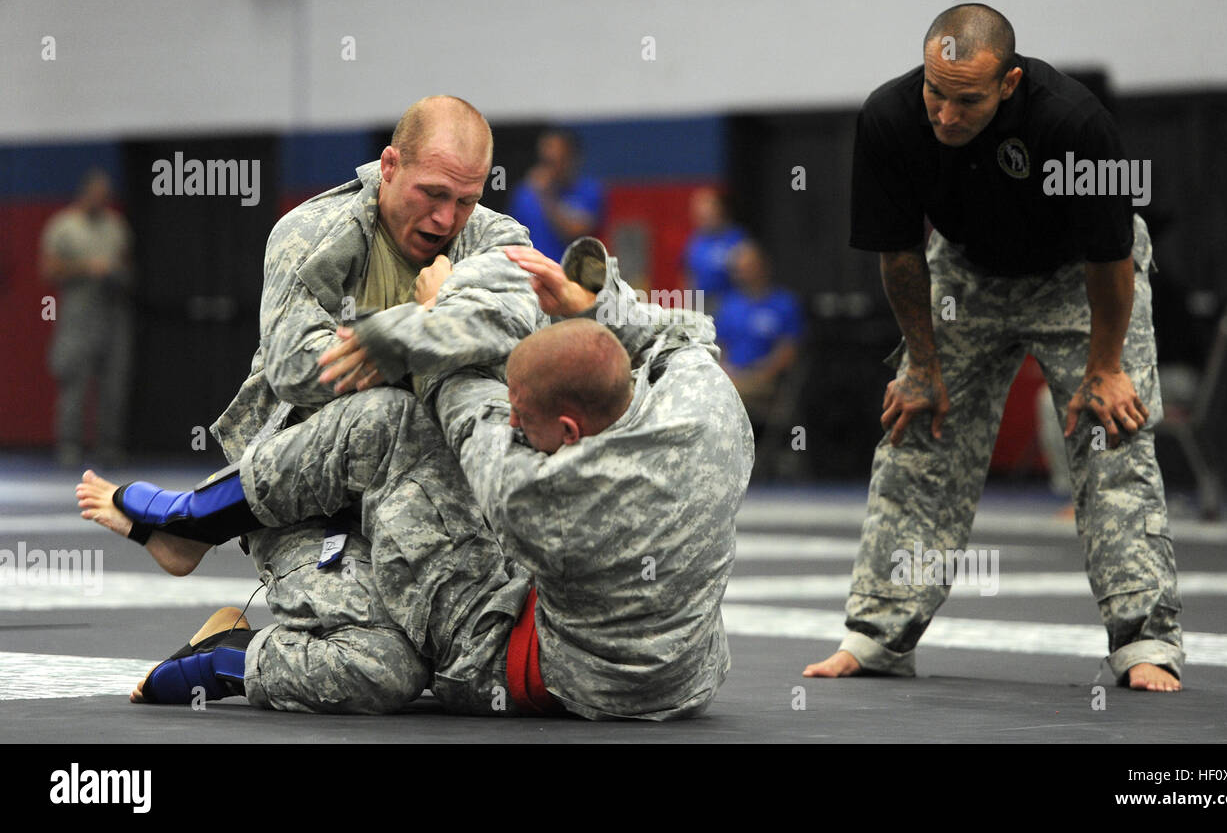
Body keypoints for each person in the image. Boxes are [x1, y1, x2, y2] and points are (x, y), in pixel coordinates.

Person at [78, 237, 753, 719]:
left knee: (393, 423)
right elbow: (678, 336)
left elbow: (465, 410)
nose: (515, 425)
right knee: (382, 652)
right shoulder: (708, 402)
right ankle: (196, 526)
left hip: (513, 662)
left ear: (572, 434)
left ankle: (214, 604)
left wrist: (439, 317)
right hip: (684, 682)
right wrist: (593, 303)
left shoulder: (543, 497)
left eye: (523, 419)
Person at [803, 4, 1183, 692]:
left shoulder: (1076, 122)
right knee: (917, 428)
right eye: (935, 93)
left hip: (1079, 277)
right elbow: (898, 254)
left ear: (1009, 83)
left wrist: (1105, 368)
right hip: (968, 273)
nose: (946, 116)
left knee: (1113, 432)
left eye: (967, 101)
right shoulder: (889, 117)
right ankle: (879, 633)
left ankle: (1144, 640)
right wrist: (922, 366)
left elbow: (1111, 254)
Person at [195, 95, 541, 711]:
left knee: (485, 658)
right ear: (389, 166)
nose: (446, 217)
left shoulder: (494, 240)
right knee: (384, 667)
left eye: (465, 199)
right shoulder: (311, 235)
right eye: (432, 193)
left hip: (429, 487)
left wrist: (411, 332)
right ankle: (226, 658)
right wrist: (433, 329)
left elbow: (525, 333)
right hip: (308, 496)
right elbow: (298, 369)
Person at [40, 169, 134, 468]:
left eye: (105, 195)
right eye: (96, 194)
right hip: (78, 315)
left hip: (112, 313)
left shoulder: (115, 225)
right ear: (84, 193)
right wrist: (86, 267)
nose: (101, 200)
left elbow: (127, 264)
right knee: (74, 382)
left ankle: (109, 447)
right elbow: (48, 271)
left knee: (113, 384)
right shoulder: (63, 226)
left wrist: (115, 274)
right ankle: (69, 446)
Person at [715, 241, 802, 425]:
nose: (742, 274)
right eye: (738, 269)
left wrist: (760, 375)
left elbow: (789, 352)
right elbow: (720, 347)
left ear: (763, 266)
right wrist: (725, 372)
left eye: (748, 267)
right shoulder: (729, 305)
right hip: (732, 378)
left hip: (767, 382)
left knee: (722, 397)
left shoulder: (784, 304)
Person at [508, 129, 604, 261]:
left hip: (573, 270)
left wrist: (546, 195)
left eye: (555, 161)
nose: (549, 168)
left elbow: (577, 232)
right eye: (545, 161)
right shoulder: (524, 193)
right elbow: (513, 237)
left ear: (571, 159)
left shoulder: (589, 191)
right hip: (531, 269)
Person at [681, 186, 747, 310]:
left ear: (720, 209)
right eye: (698, 210)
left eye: (708, 208)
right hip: (702, 303)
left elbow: (747, 277)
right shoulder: (694, 241)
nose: (703, 213)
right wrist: (688, 305)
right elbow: (688, 276)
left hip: (730, 303)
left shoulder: (735, 238)